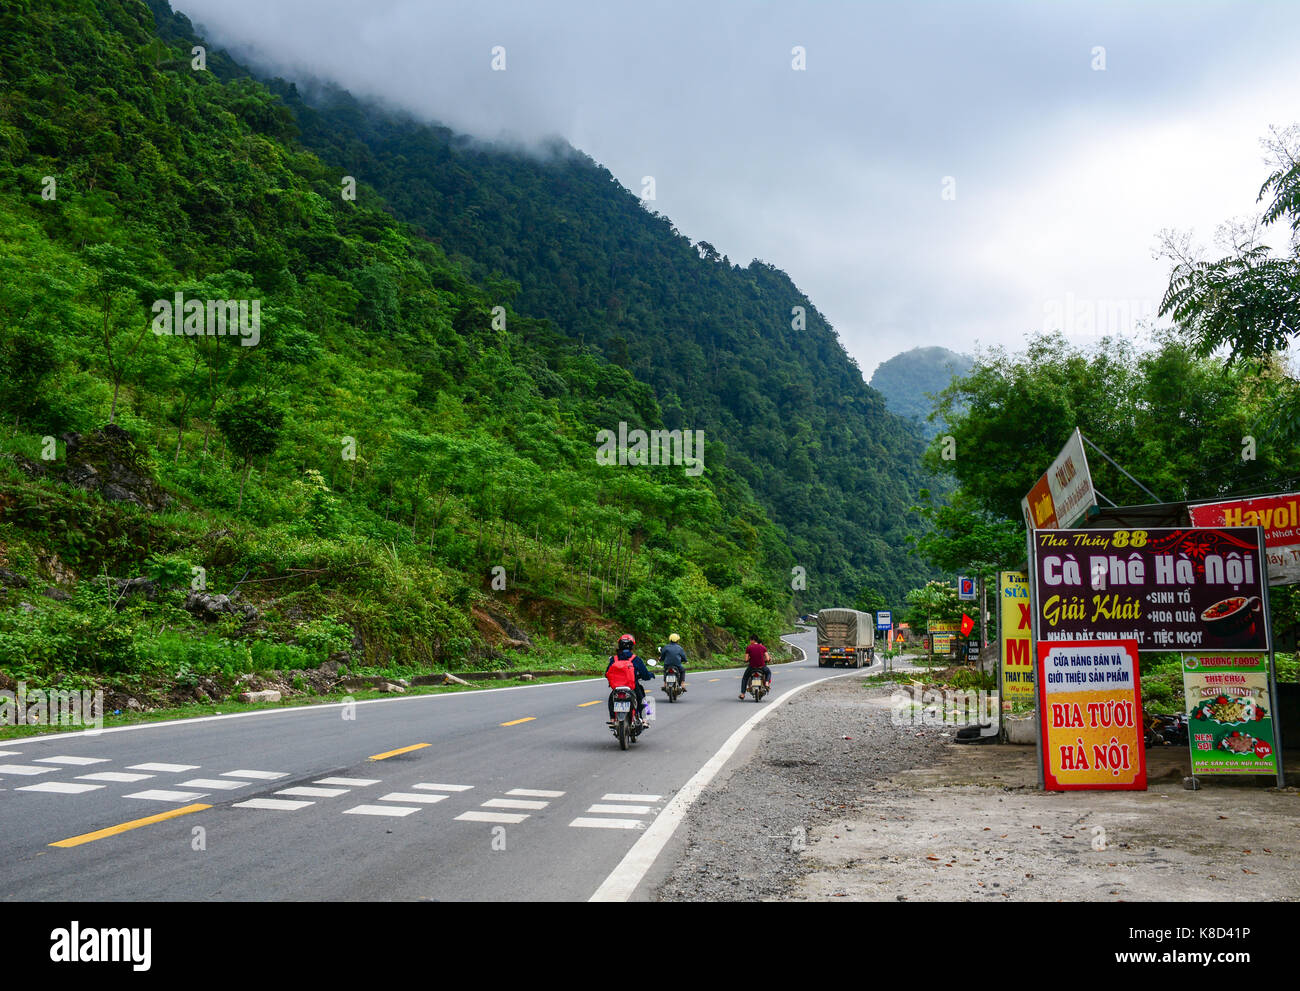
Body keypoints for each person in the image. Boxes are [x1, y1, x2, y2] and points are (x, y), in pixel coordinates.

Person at [606, 634, 654, 724]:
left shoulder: (614, 659)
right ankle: (640, 717)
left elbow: (607, 673)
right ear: (632, 645)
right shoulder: (635, 659)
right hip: (632, 686)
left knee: (611, 699)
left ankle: (612, 719)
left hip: (617, 687)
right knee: (641, 698)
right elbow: (645, 675)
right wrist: (650, 675)